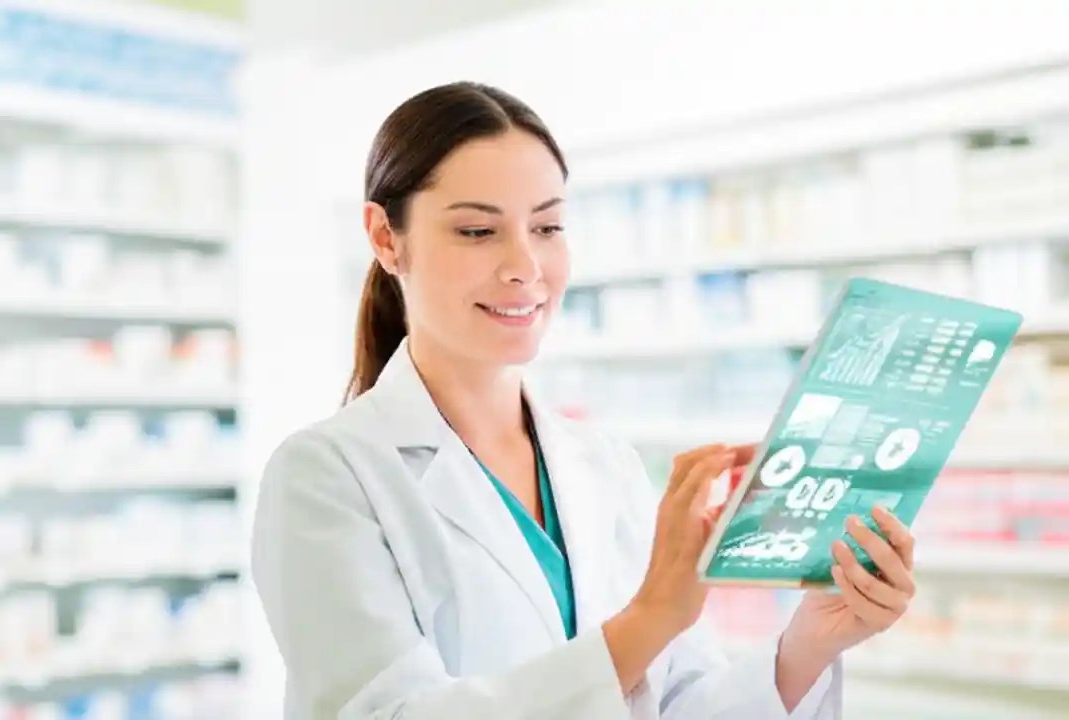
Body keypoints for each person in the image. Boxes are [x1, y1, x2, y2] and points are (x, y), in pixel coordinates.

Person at [251, 82, 917, 719]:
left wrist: (812, 641)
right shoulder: (326, 477)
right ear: (385, 238)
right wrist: (649, 616)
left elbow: (675, 700)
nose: (525, 267)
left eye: (547, 228)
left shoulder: (604, 463)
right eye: (478, 232)